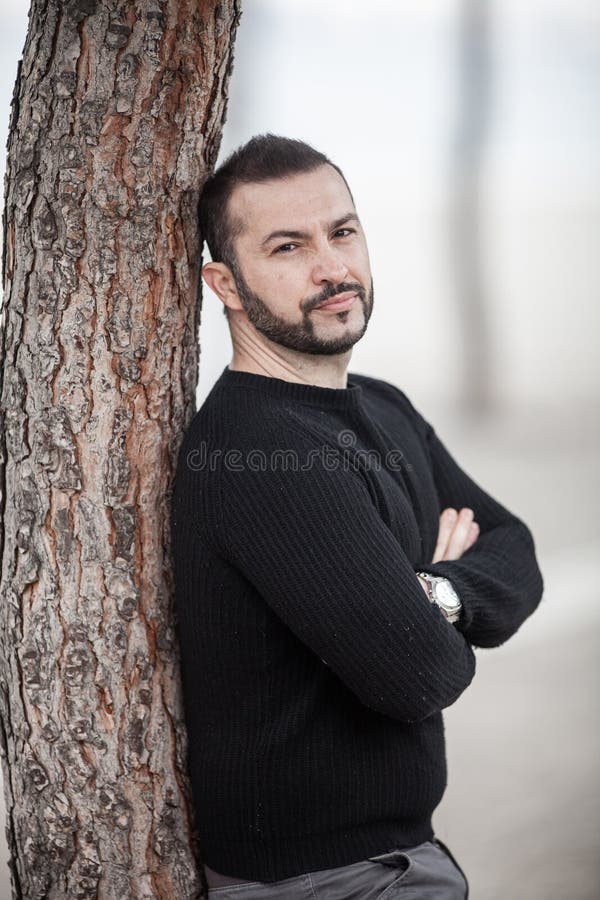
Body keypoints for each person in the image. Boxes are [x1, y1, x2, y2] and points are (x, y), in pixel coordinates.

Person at [170, 134, 544, 899]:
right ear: (226, 283)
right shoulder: (256, 449)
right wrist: (446, 603)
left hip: (394, 856)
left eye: (342, 232)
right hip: (322, 880)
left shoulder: (382, 406)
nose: (331, 268)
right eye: (288, 247)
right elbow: (421, 675)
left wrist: (433, 592)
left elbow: (516, 550)